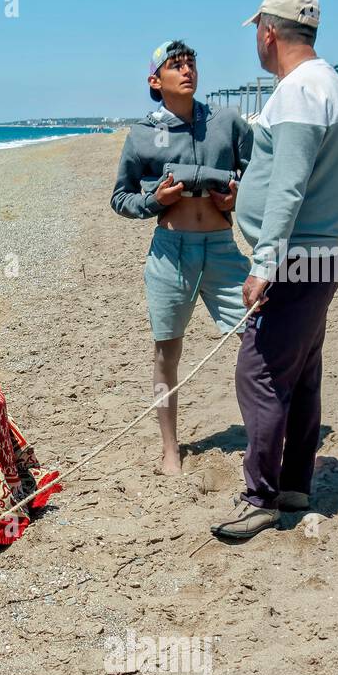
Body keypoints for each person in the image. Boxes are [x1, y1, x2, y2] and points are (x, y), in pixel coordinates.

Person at [211, 0, 338, 540]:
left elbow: (290, 186)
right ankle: (294, 483)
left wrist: (264, 262)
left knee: (261, 373)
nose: (256, 39)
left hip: (295, 258)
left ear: (268, 32)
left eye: (256, 30)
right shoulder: (335, 86)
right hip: (323, 254)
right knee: (303, 371)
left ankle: (261, 497)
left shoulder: (299, 91)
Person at [111, 40, 253, 475]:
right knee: (166, 353)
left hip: (222, 250)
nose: (187, 69)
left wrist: (235, 200)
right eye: (175, 65)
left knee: (259, 336)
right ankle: (170, 449)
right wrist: (156, 200)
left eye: (191, 62)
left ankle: (265, 436)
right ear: (155, 80)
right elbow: (120, 197)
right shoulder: (141, 134)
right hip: (170, 252)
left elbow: (260, 179)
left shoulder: (228, 123)